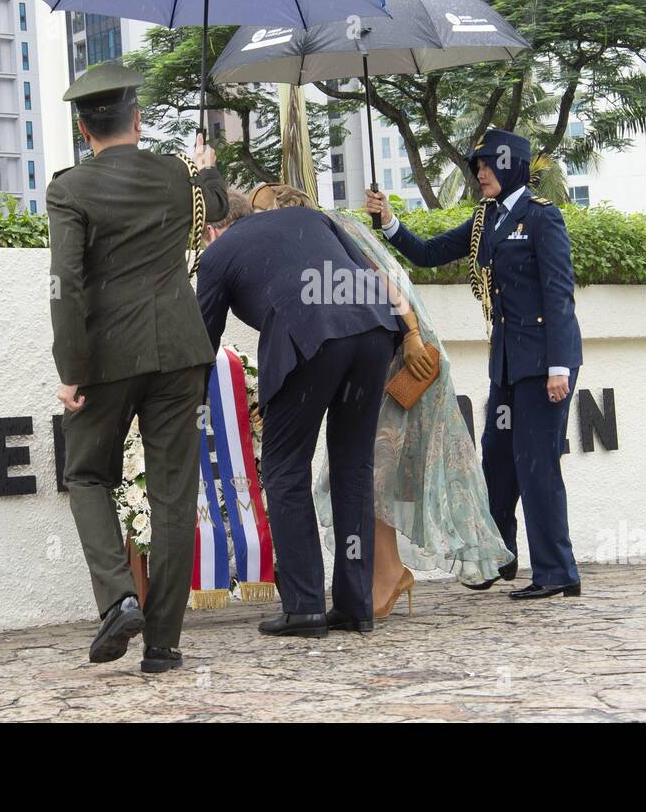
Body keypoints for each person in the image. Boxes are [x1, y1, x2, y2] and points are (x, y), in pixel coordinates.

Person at [248, 183, 514, 617]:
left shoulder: (330, 228)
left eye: (262, 214)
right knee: (363, 469)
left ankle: (387, 575)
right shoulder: (316, 234)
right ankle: (385, 573)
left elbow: (385, 280)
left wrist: (409, 334)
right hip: (381, 352)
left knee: (367, 468)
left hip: (399, 357)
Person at [48, 64, 228, 672]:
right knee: (174, 495)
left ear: (83, 127)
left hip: (107, 357)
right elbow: (221, 203)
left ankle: (121, 597)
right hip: (181, 350)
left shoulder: (69, 189)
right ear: (138, 120)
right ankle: (163, 645)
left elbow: (66, 285)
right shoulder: (180, 178)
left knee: (86, 474)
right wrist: (206, 167)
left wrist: (70, 367)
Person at [365, 128, 585, 600]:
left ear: (510, 166)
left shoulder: (542, 219)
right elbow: (429, 253)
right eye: (477, 166)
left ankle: (557, 571)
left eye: (487, 165)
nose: (479, 173)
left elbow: (560, 295)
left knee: (537, 466)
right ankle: (498, 557)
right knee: (499, 464)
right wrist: (388, 223)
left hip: (544, 363)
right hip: (506, 363)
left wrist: (560, 368)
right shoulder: (488, 219)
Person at [196, 191, 421, 637]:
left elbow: (202, 343)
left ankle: (304, 607)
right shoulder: (310, 217)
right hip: (376, 329)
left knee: (285, 469)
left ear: (210, 229)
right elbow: (372, 272)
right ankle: (356, 605)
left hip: (311, 336)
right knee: (353, 467)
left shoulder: (217, 254)